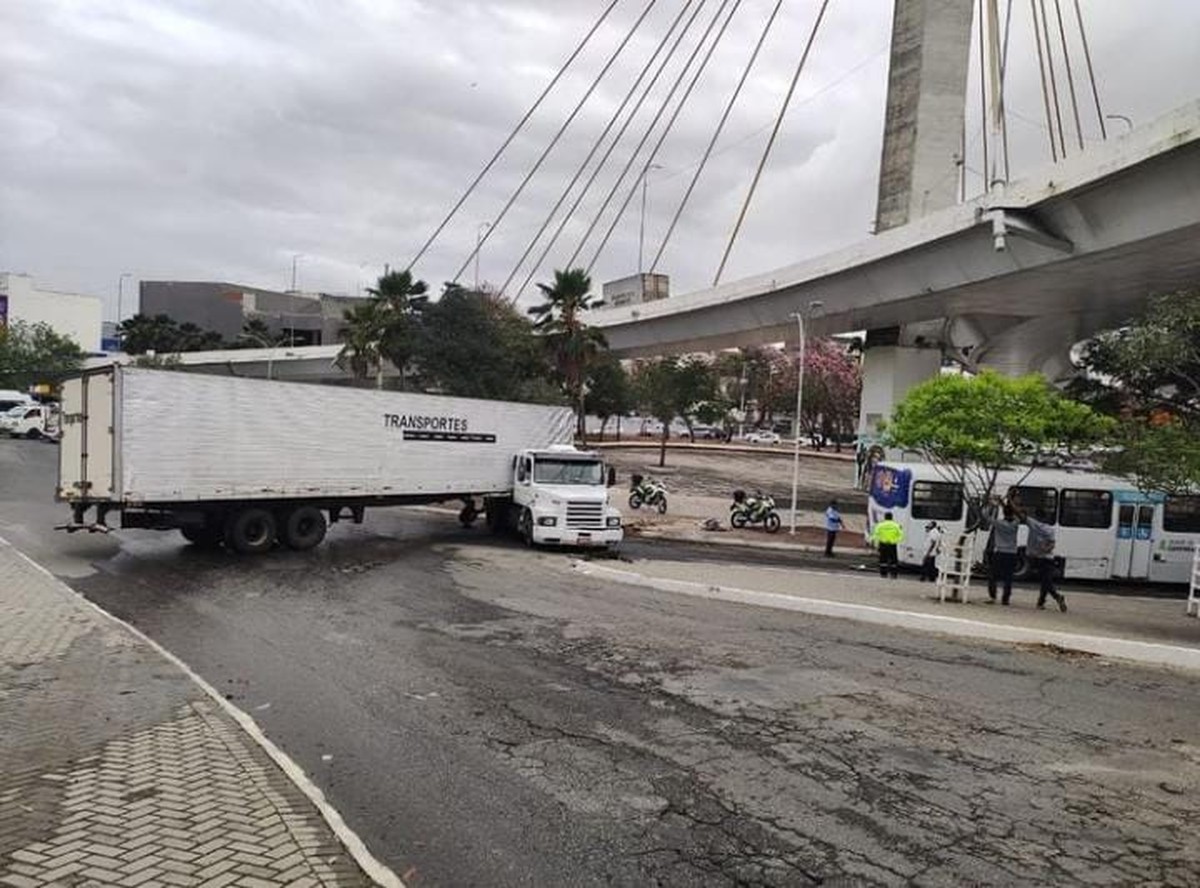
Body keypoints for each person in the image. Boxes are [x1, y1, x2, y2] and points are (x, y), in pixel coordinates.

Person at [1015, 503, 1067, 612]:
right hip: (1047, 558)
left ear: (1037, 516)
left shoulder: (1033, 523)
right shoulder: (1049, 529)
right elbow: (1052, 544)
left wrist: (1010, 501)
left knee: (1045, 581)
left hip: (1037, 557)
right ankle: (1046, 601)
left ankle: (1051, 599)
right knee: (1045, 581)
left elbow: (1020, 515)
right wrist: (1045, 549)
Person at [984, 501, 1020, 604]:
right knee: (1008, 577)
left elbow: (985, 515)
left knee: (992, 576)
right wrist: (1005, 505)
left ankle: (993, 597)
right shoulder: (1015, 524)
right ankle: (1005, 599)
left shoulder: (998, 523)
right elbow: (1018, 515)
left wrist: (992, 504)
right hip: (1012, 553)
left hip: (999, 552)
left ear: (1003, 513)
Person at [871, 511, 904, 579]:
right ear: (892, 518)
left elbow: (875, 535)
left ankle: (883, 574)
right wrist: (894, 541)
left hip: (883, 544)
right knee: (893, 561)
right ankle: (893, 574)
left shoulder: (880, 525)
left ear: (885, 517)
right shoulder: (896, 525)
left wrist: (875, 543)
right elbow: (901, 536)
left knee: (883, 560)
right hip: (892, 545)